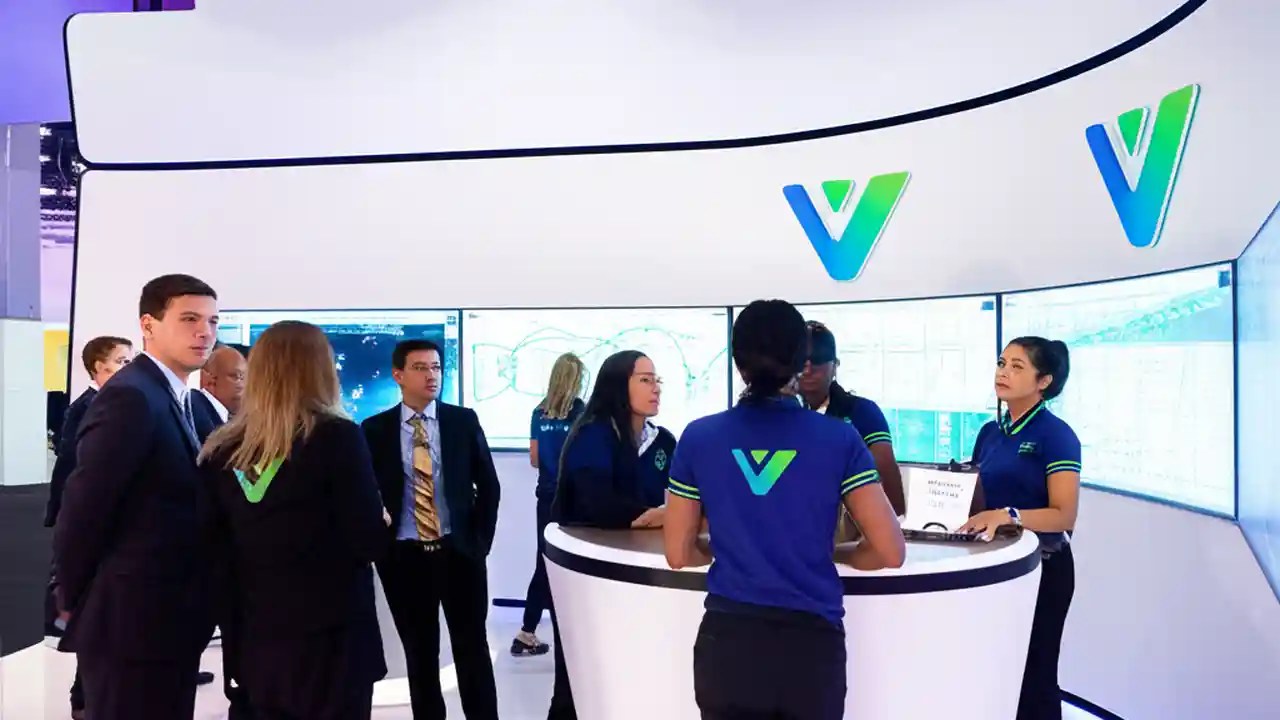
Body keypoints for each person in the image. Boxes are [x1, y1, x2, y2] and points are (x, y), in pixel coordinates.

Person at [663, 299, 905, 720]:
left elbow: (677, 553)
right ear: (800, 362)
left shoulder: (699, 438)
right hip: (810, 648)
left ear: (737, 362)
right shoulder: (840, 440)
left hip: (729, 644)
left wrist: (725, 547)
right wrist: (834, 554)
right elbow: (890, 551)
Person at [200, 320, 388, 720]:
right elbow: (367, 541)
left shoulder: (222, 448)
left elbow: (217, 547)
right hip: (331, 642)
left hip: (254, 639)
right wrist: (380, 518)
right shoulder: (337, 437)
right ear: (320, 370)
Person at [53, 274, 222, 720]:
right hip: (130, 620)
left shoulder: (183, 398)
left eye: (212, 321)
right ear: (148, 324)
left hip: (168, 617)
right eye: (189, 319)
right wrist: (73, 600)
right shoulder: (131, 396)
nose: (205, 332)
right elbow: (84, 507)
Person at [363, 339, 501, 720]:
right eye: (421, 368)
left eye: (437, 368)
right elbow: (367, 493)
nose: (431, 375)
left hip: (459, 555)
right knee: (420, 655)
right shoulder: (374, 429)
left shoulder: (462, 421)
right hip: (405, 558)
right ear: (398, 375)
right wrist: (381, 550)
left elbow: (488, 486)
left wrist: (479, 545)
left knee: (471, 649)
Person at [958, 337, 1081, 720]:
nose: (1003, 372)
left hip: (1043, 567)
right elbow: (980, 496)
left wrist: (1007, 514)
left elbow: (1064, 515)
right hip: (994, 567)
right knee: (997, 672)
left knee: (1035, 675)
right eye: (1001, 362)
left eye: (1017, 366)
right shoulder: (989, 432)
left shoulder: (1056, 435)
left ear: (1043, 381)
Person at [545, 350, 668, 720]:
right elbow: (594, 502)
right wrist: (655, 516)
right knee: (581, 683)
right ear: (618, 384)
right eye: (645, 379)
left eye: (657, 379)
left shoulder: (663, 442)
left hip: (647, 578)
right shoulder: (592, 435)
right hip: (593, 582)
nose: (656, 388)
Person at [44, 335, 132, 720]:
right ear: (99, 367)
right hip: (86, 528)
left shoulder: (106, 404)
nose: (129, 368)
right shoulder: (88, 407)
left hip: (92, 526)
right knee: (91, 619)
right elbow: (75, 470)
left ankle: (86, 698)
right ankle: (84, 699)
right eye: (121, 361)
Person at [512, 353, 586, 657]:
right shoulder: (579, 411)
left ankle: (527, 632)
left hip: (545, 495)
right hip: (572, 498)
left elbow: (533, 458)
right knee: (570, 562)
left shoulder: (538, 412)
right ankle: (562, 634)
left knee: (544, 561)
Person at [797, 320, 906, 515]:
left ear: (835, 365)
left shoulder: (862, 412)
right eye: (800, 360)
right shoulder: (782, 417)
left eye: (818, 358)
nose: (808, 369)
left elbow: (886, 477)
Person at [195, 343, 248, 423]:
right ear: (211, 380)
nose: (243, 386)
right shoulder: (199, 417)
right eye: (237, 376)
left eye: (245, 379)